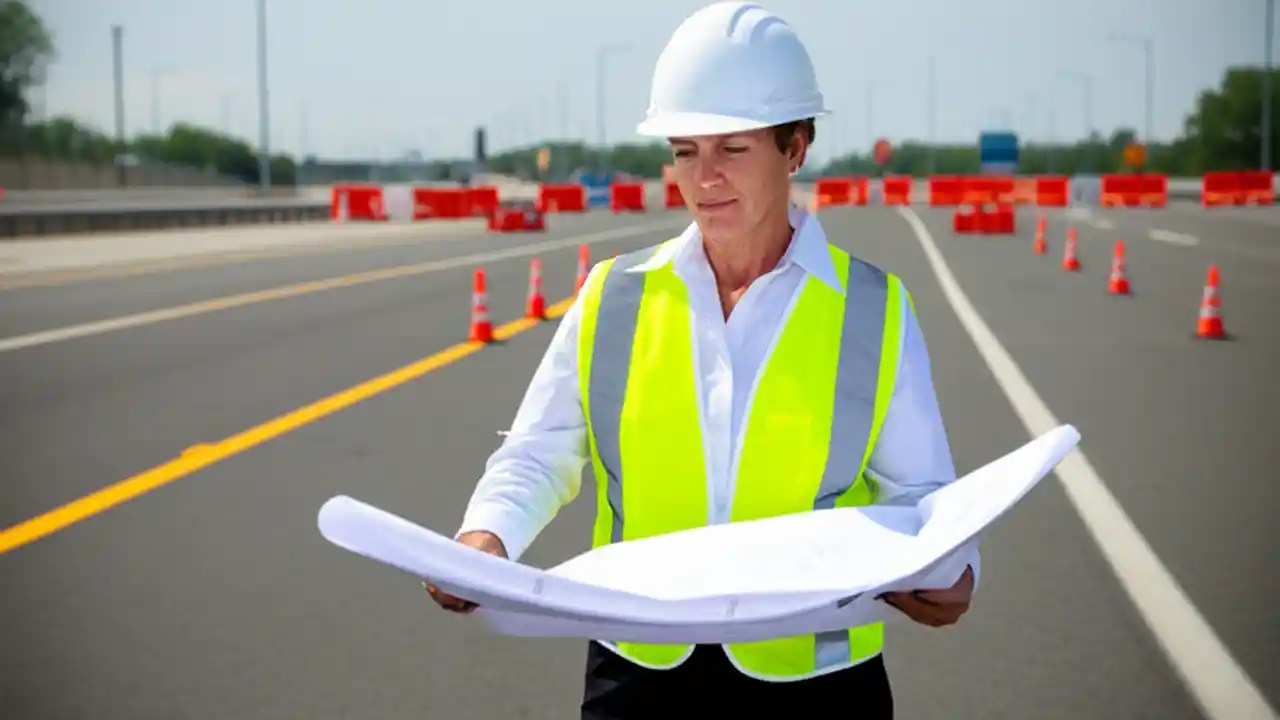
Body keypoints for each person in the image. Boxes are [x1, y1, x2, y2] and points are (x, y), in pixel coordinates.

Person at [427, 2, 979, 717]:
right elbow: (542, 452)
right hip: (639, 672)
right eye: (687, 151)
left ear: (796, 147)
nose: (705, 177)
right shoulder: (613, 296)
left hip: (816, 684)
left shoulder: (873, 307)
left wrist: (952, 570)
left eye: (732, 149)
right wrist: (483, 538)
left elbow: (921, 497)